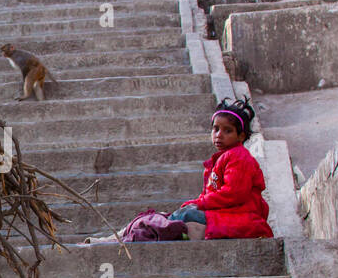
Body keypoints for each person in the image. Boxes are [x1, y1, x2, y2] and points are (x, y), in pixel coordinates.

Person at [94, 101, 273, 243]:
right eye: (216, 129)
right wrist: (198, 203)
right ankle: (116, 238)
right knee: (169, 217)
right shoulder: (224, 158)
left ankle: (116, 239)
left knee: (181, 216)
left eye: (228, 131)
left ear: (241, 136)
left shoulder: (239, 157)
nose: (219, 135)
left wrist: (199, 203)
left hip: (240, 217)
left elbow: (233, 194)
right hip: (225, 215)